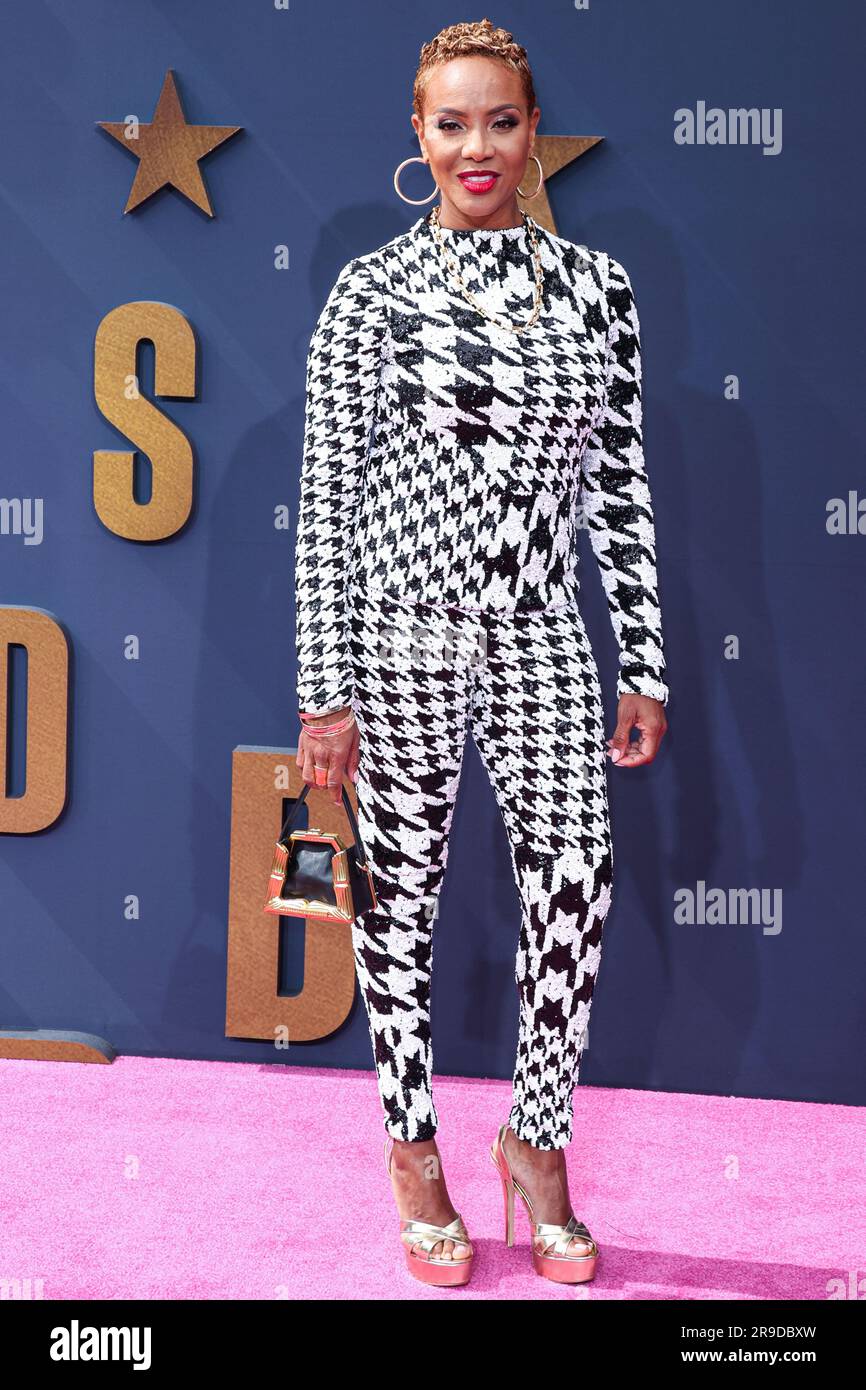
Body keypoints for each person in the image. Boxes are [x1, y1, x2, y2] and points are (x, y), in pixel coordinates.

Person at [293, 17, 669, 1287]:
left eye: (498, 121)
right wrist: (322, 693)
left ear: (530, 132)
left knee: (577, 882)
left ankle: (534, 1139)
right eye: (449, 122)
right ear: (416, 132)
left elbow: (616, 481)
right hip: (399, 639)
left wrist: (645, 661)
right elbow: (328, 503)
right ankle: (413, 1152)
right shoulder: (370, 290)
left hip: (543, 638)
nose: (475, 146)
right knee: (394, 908)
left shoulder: (597, 288)